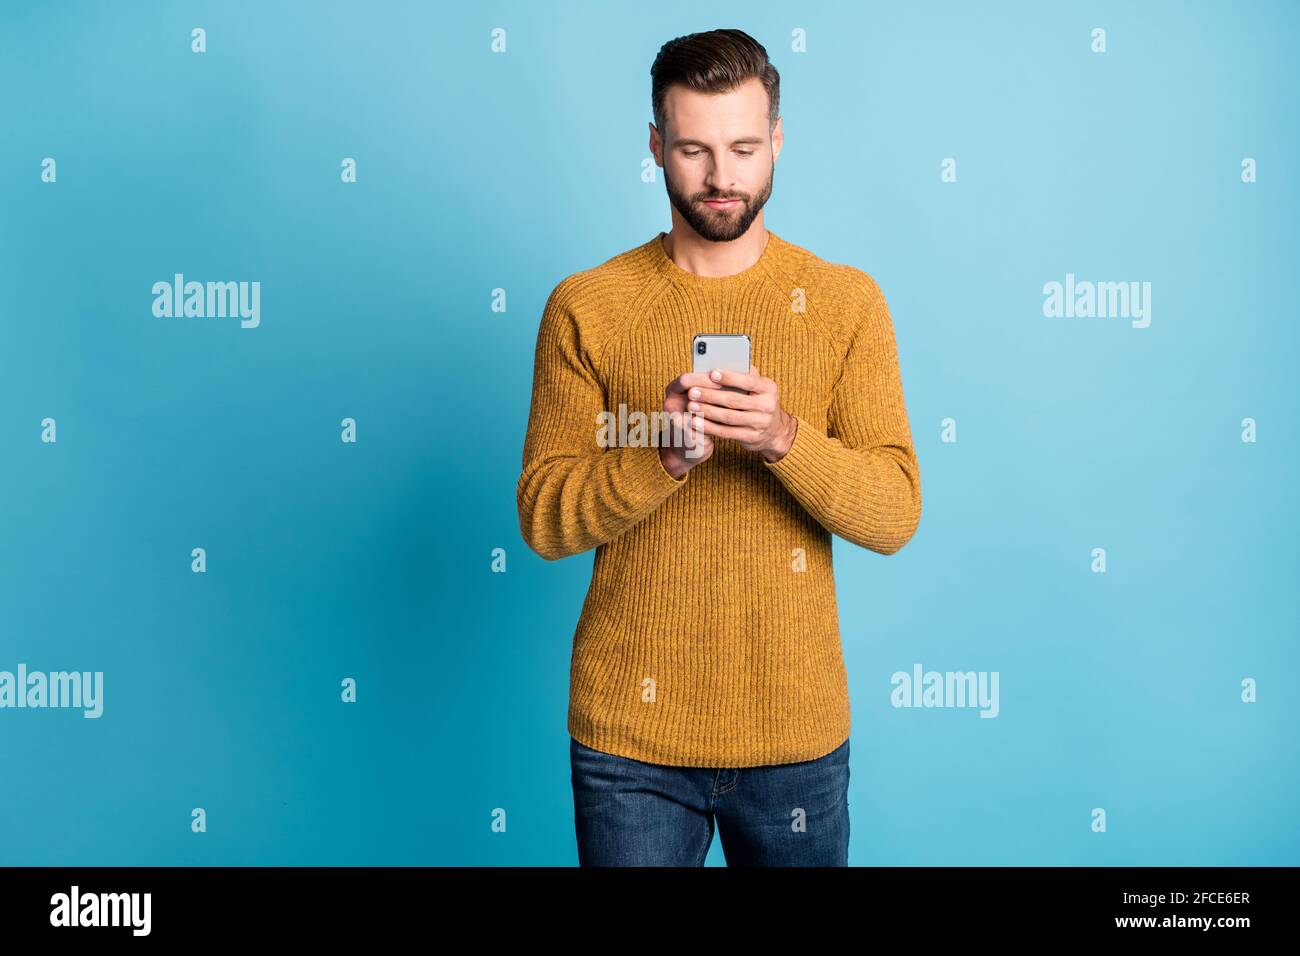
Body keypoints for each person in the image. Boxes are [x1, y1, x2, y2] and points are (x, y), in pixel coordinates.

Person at [516, 28, 922, 866]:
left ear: (777, 138)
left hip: (795, 736)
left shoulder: (847, 304)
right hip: (631, 738)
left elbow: (894, 513)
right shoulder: (586, 306)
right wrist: (657, 455)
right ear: (656, 146)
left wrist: (784, 439)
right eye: (694, 149)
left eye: (743, 146)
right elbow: (542, 519)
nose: (722, 177)